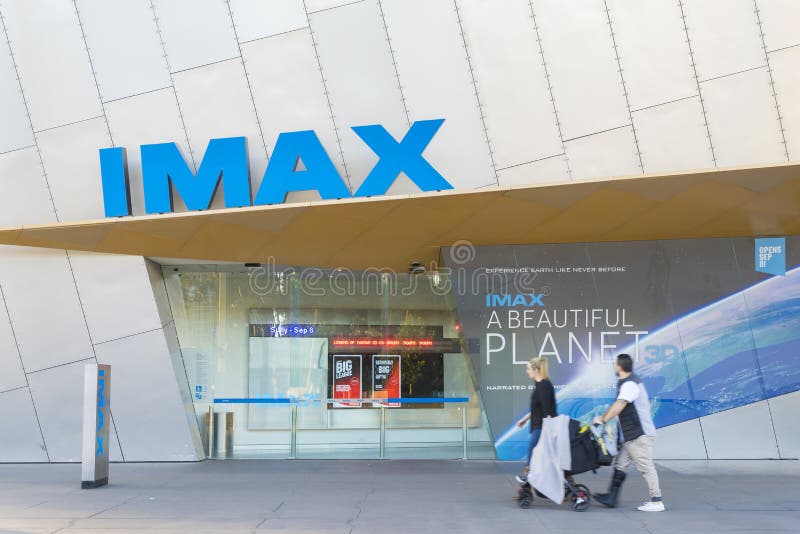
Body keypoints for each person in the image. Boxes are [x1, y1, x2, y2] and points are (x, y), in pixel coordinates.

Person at [593, 353, 665, 512]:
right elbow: (617, 406)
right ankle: (611, 497)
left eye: (615, 365)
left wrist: (603, 420)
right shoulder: (627, 382)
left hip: (639, 435)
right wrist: (604, 417)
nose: (614, 367)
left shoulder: (630, 385)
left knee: (646, 468)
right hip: (631, 435)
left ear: (619, 366)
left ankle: (656, 501)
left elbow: (619, 405)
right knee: (621, 464)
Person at [514, 356, 556, 484]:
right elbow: (538, 408)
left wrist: (550, 430)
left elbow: (548, 411)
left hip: (543, 427)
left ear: (536, 370)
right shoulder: (540, 385)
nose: (527, 371)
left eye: (528, 369)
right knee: (541, 455)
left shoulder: (544, 386)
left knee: (532, 450)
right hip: (538, 425)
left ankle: (528, 476)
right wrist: (525, 419)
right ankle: (530, 480)